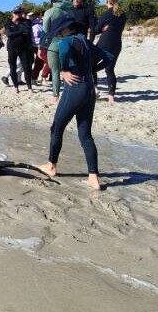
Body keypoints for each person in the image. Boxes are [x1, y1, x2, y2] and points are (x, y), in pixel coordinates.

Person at [37, 15, 112, 191]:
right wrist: (92, 69)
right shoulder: (85, 41)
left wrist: (63, 70)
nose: (57, 35)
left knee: (56, 127)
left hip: (75, 89)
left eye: (59, 32)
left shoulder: (66, 41)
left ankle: (51, 166)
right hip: (89, 90)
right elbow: (109, 57)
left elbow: (63, 51)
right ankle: (93, 178)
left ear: (66, 29)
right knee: (85, 134)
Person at [94, 0, 127, 103]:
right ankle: (111, 96)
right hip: (117, 44)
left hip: (105, 43)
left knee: (91, 64)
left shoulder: (106, 14)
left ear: (107, 1)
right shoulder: (123, 15)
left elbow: (96, 30)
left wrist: (102, 29)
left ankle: (94, 88)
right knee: (110, 69)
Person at [41, 0, 70, 101]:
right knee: (67, 70)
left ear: (52, 1)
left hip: (53, 44)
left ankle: (56, 95)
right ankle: (68, 94)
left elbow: (45, 31)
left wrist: (41, 47)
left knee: (55, 71)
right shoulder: (69, 12)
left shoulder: (50, 12)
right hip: (68, 43)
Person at [3, 9, 34, 93]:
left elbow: (27, 31)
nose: (18, 14)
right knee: (12, 67)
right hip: (12, 48)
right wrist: (21, 32)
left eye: (19, 12)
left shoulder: (26, 21)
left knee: (27, 68)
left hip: (24, 48)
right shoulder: (8, 23)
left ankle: (30, 88)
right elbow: (9, 34)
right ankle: (16, 87)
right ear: (12, 13)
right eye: (16, 12)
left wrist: (16, 32)